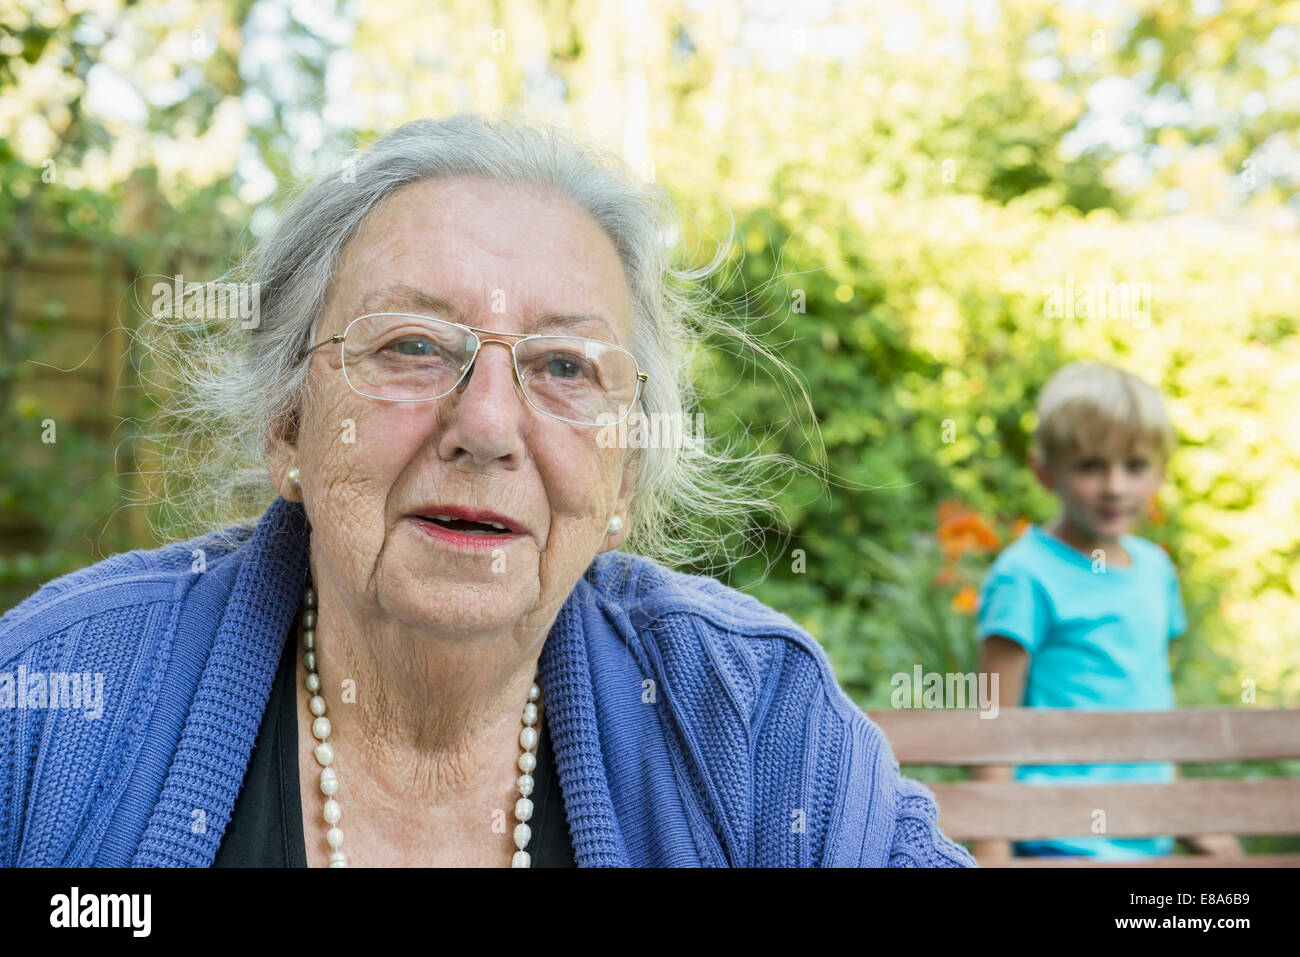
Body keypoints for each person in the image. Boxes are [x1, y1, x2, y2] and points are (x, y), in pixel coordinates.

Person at [0, 112, 974, 867]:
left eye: (564, 367)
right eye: (413, 347)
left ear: (625, 468)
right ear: (286, 423)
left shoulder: (752, 719)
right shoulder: (53, 699)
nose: (489, 427)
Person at [971, 360, 1241, 860]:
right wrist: (991, 850)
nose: (1115, 486)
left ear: (1160, 472)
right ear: (1044, 471)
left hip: (1148, 836)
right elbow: (992, 724)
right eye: (1091, 466)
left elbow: (1150, 703)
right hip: (1059, 839)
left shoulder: (1155, 570)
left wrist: (1191, 816)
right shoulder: (1025, 576)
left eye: (1135, 466)